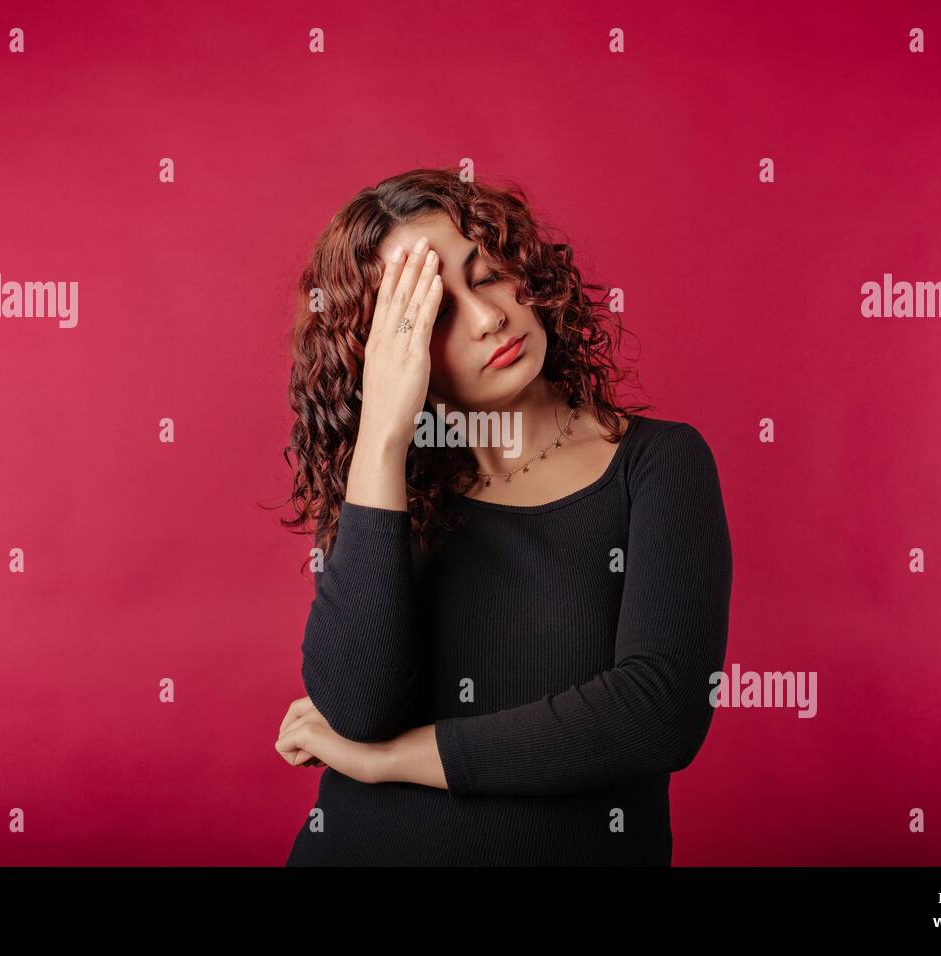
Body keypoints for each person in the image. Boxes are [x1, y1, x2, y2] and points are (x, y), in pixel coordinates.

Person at [276, 168, 732, 865]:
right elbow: (355, 706)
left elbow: (656, 715)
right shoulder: (385, 488)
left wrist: (389, 761)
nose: (490, 316)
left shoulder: (658, 467)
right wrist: (383, 438)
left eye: (486, 274)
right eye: (436, 313)